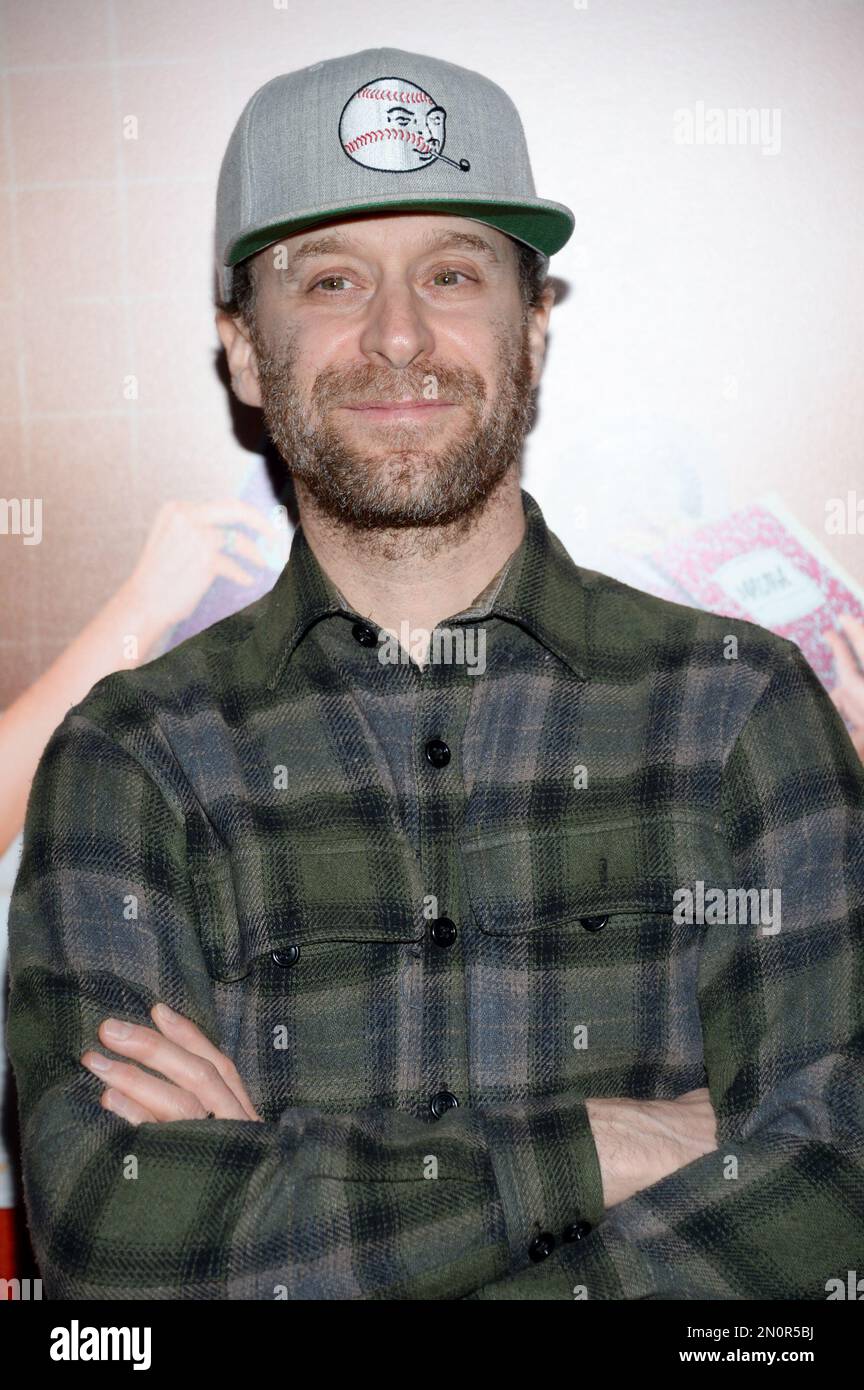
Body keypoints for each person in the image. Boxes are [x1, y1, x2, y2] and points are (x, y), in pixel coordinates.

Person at [6, 46, 863, 1302]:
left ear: (538, 327)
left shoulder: (742, 708)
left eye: (452, 273)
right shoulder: (131, 757)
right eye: (333, 278)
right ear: (244, 350)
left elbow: (833, 1188)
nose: (397, 333)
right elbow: (112, 1232)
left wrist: (294, 1203)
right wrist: (608, 1147)